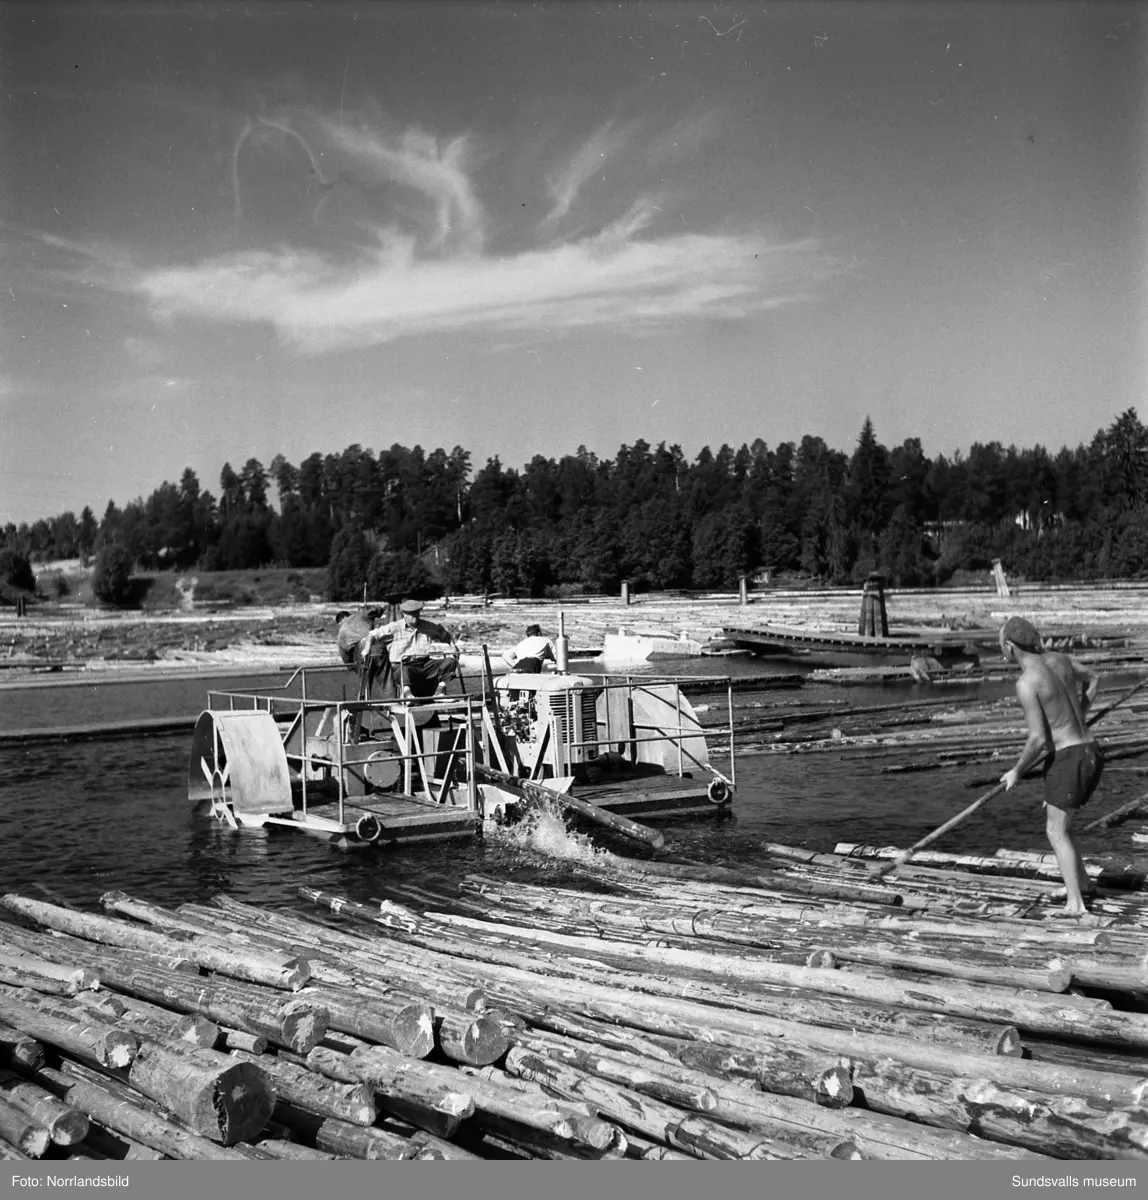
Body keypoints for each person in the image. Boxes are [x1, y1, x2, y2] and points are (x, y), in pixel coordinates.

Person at [998, 615, 1102, 916]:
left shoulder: (1026, 681)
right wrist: (1081, 711)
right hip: (1091, 752)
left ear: (1009, 646)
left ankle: (1076, 905)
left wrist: (1017, 771)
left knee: (1055, 831)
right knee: (1063, 826)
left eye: (1001, 646)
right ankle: (1082, 884)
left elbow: (1039, 740)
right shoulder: (1061, 659)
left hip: (1069, 759)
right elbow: (1094, 678)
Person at [360, 598, 460, 699]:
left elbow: (444, 634)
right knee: (404, 670)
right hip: (403, 665)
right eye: (412, 614)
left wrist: (454, 647)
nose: (415, 617)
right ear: (404, 614)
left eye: (417, 613)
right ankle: (407, 694)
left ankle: (440, 691)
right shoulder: (395, 627)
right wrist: (367, 649)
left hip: (424, 664)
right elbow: (372, 634)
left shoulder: (428, 626)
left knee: (450, 661)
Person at [334, 606, 389, 699]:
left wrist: (354, 668)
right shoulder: (360, 615)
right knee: (386, 679)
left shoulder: (340, 634)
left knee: (365, 682)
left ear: (342, 619)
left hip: (361, 652)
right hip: (377, 645)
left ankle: (365, 700)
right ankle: (393, 702)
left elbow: (346, 657)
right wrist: (381, 610)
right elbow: (373, 610)